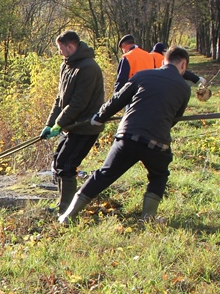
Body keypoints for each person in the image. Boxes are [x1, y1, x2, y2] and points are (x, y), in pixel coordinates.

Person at [59, 45, 193, 225]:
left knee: (104, 174)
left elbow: (117, 99)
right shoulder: (184, 88)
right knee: (159, 175)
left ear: (163, 61)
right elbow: (175, 118)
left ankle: (68, 215)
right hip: (157, 143)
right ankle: (148, 218)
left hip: (127, 137)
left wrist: (99, 117)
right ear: (183, 65)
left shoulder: (143, 75)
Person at [40, 30, 106, 214]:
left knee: (66, 165)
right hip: (71, 125)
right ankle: (63, 205)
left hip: (86, 126)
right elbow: (60, 99)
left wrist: (59, 124)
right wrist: (50, 123)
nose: (60, 52)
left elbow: (79, 103)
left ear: (71, 46)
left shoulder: (88, 68)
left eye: (61, 49)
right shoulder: (66, 66)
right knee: (59, 160)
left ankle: (66, 210)